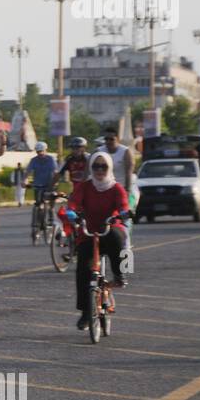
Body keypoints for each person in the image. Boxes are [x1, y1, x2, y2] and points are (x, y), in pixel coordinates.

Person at [66, 151, 130, 330]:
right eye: (95, 166)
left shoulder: (116, 188)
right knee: (82, 272)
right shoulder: (85, 186)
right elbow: (73, 202)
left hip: (110, 229)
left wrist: (123, 213)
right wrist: (71, 211)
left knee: (118, 237)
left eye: (103, 166)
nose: (100, 170)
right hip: (89, 233)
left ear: (110, 168)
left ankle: (120, 274)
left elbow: (123, 205)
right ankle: (86, 313)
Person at [97, 130, 136, 196]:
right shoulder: (99, 151)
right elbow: (90, 170)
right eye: (106, 139)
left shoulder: (125, 152)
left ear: (117, 139)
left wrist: (127, 190)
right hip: (104, 188)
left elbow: (129, 172)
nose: (108, 141)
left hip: (121, 187)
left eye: (111, 139)